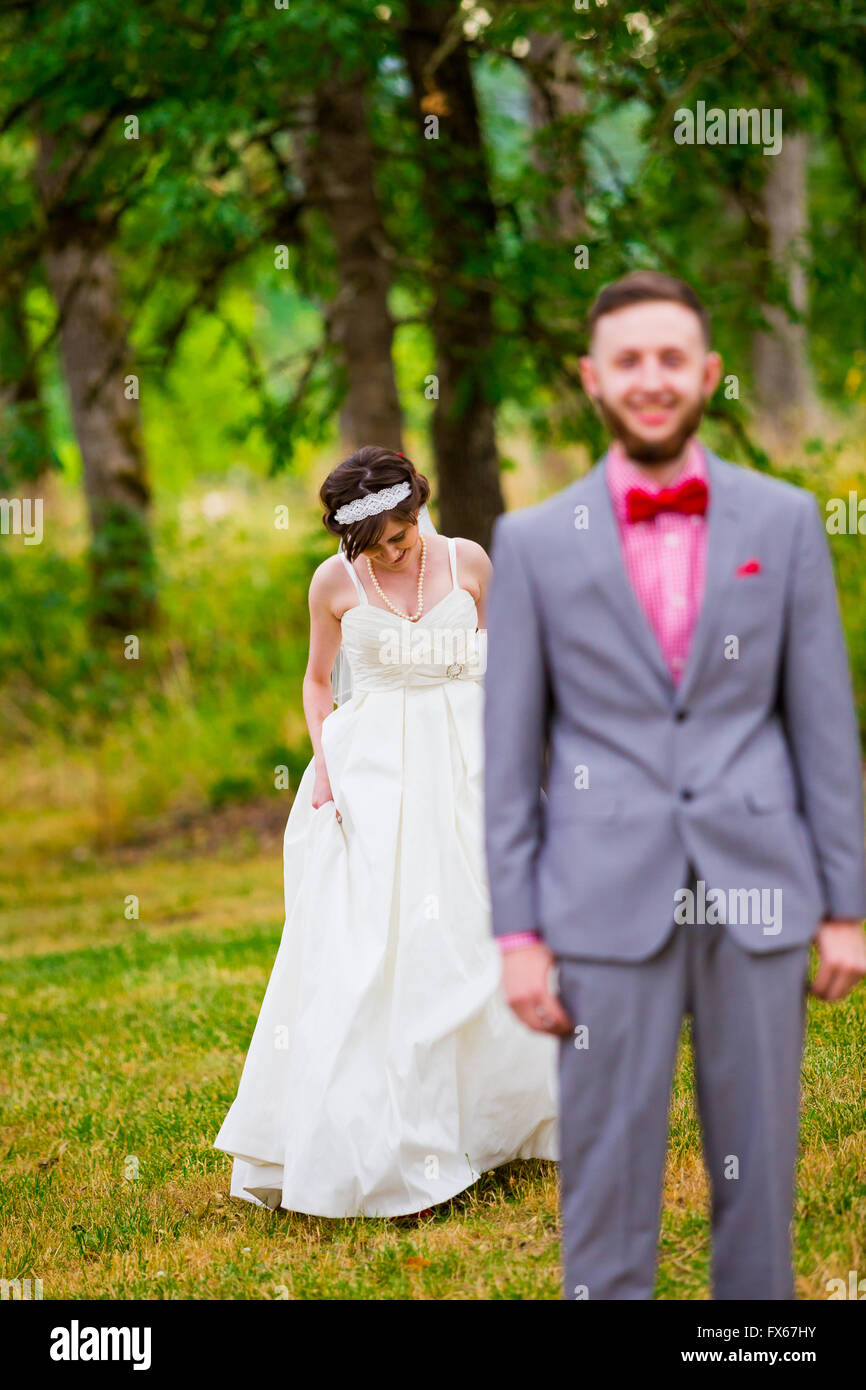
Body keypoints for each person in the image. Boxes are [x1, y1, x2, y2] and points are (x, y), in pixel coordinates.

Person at [483, 270, 866, 1299]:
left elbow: (822, 725)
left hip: (758, 891)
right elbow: (509, 756)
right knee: (604, 1174)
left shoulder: (783, 523)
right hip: (600, 901)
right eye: (625, 361)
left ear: (705, 373)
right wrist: (516, 934)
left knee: (760, 1166)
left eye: (668, 360)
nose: (648, 380)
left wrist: (845, 905)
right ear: (590, 378)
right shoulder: (528, 543)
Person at [214, 445, 557, 1218]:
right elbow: (315, 679)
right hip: (374, 767)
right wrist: (326, 765)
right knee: (378, 941)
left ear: (418, 511)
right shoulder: (333, 581)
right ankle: (391, 1133)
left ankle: (500, 1120)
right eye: (370, 547)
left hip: (467, 760)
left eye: (398, 538)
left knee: (480, 928)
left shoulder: (469, 562)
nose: (388, 555)